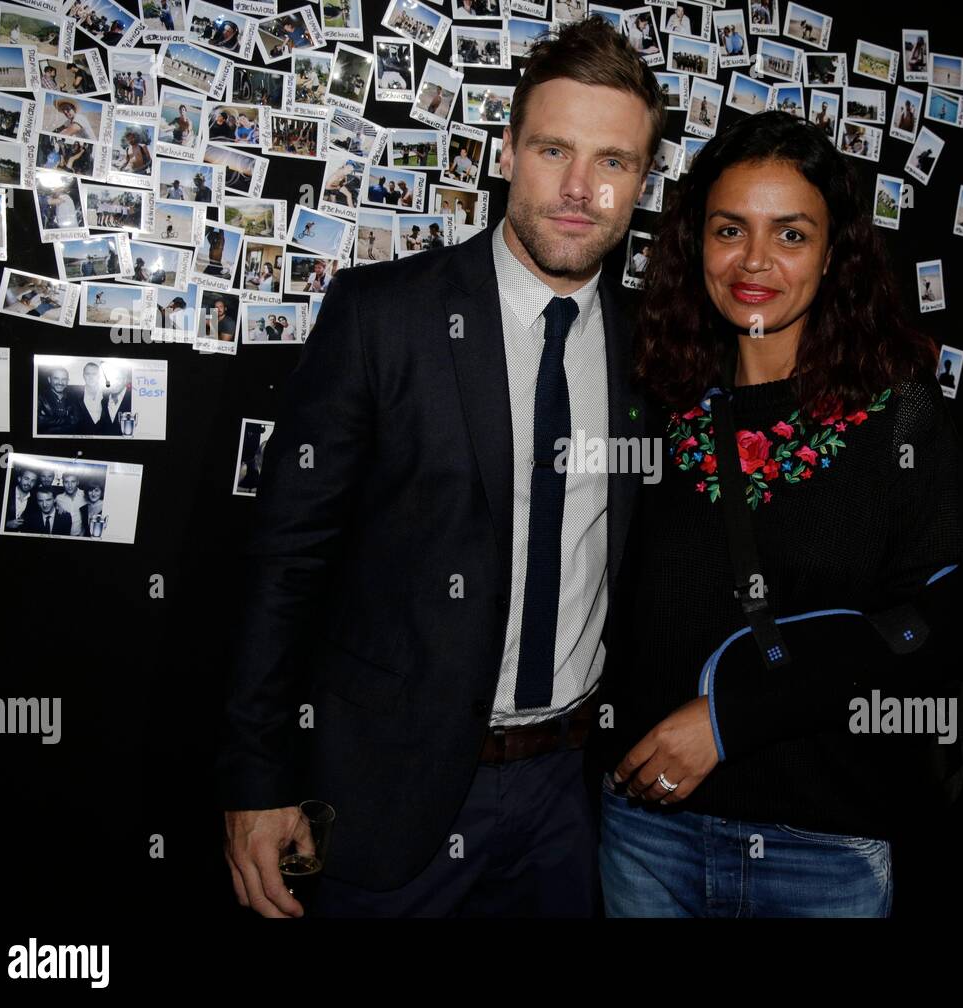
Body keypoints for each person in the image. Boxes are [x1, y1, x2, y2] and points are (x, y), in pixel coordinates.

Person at [218, 16, 664, 919]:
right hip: (388, 793)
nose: (580, 190)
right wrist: (256, 779)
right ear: (506, 152)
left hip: (568, 798)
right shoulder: (384, 316)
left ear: (643, 181)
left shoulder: (654, 347)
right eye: (553, 150)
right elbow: (285, 563)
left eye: (613, 162)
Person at [591, 111, 963, 918]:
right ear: (698, 242)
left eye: (791, 235)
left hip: (822, 847)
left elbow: (939, 626)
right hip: (647, 831)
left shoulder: (898, 415)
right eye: (731, 229)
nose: (755, 261)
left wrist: (734, 718)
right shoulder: (651, 401)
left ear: (834, 256)